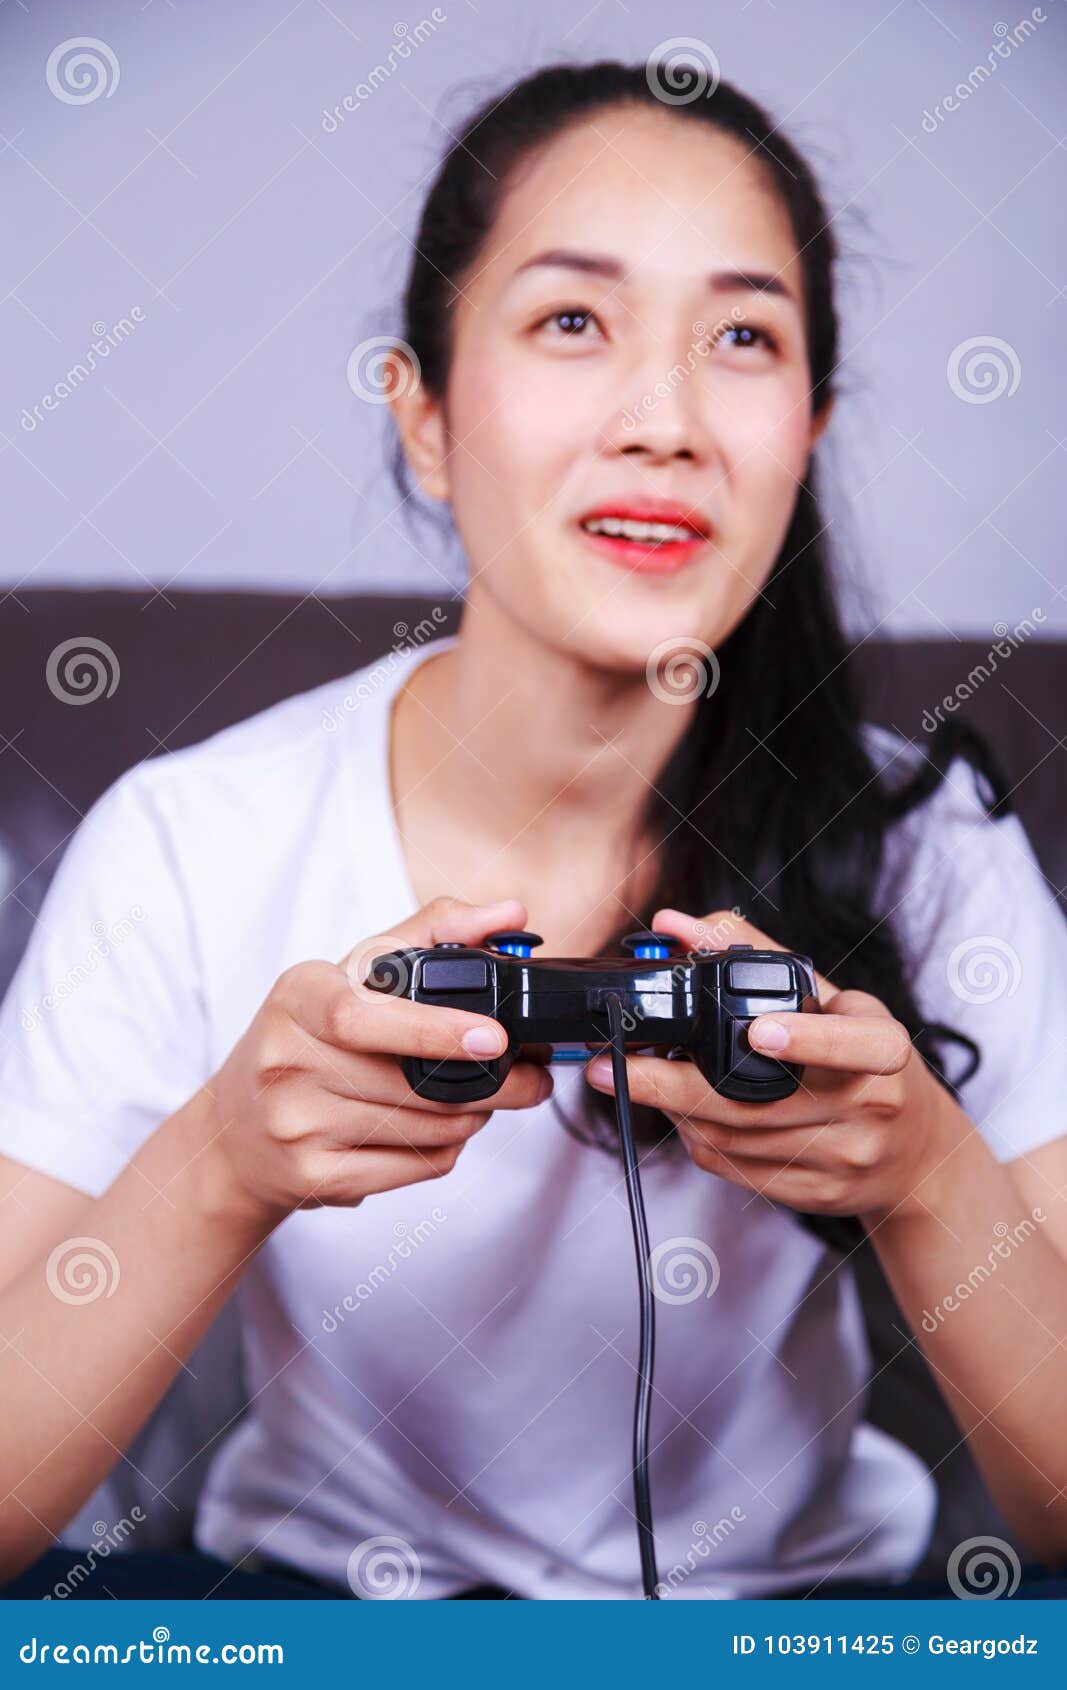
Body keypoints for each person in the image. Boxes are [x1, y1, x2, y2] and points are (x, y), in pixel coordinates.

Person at [1, 60, 1066, 1603]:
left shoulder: (928, 842)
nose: (665, 419)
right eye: (574, 320)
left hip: (797, 1624)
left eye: (744, 338)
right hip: (333, 1617)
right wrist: (222, 1163)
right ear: (425, 412)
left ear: (809, 430)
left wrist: (926, 1177)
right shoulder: (194, 840)